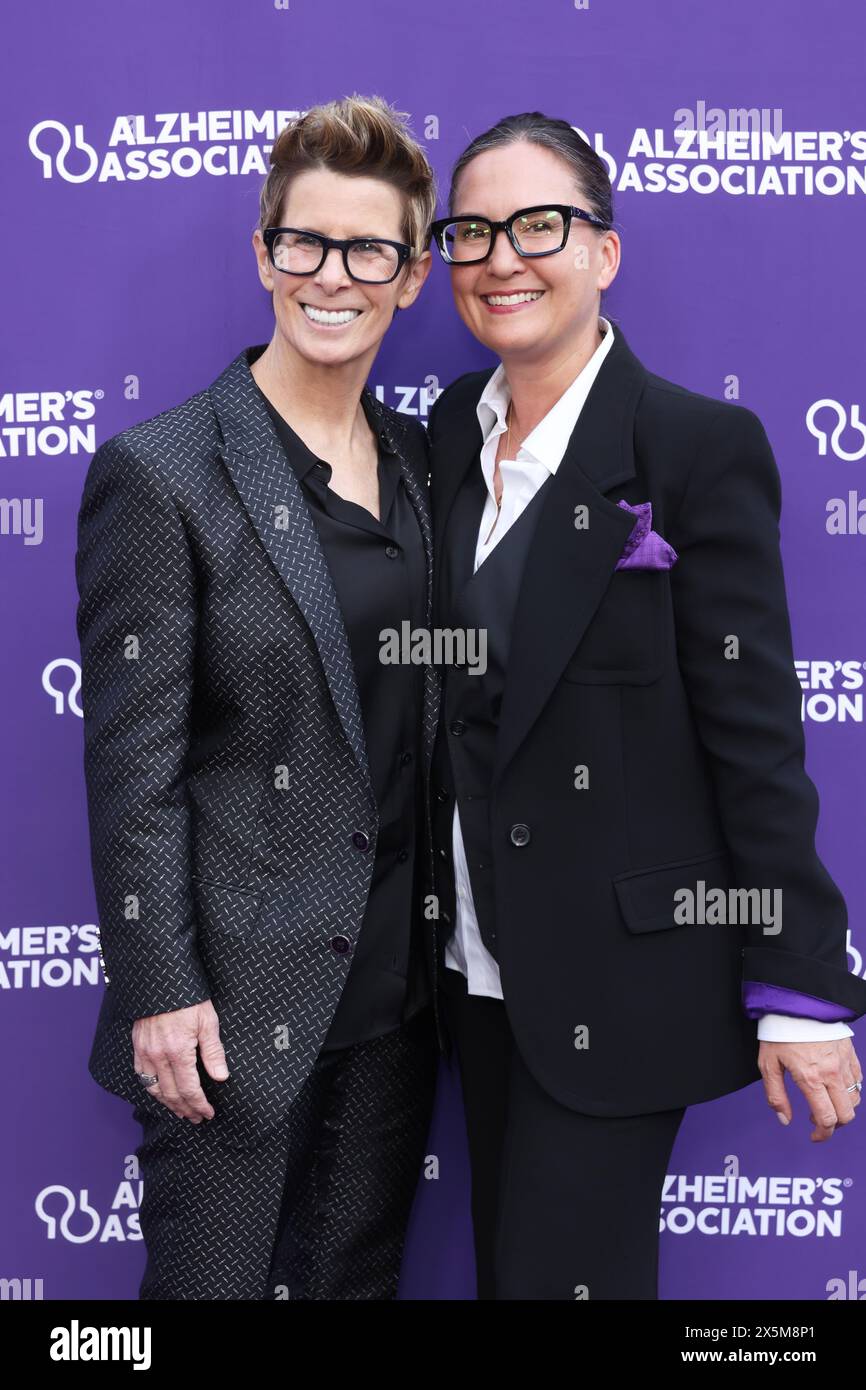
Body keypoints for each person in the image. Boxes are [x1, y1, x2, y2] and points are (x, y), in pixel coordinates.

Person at [425, 110, 866, 1301]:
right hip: (470, 974)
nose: (500, 256)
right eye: (471, 230)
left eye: (539, 224)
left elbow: (754, 737)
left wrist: (800, 987)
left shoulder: (691, 447)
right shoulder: (444, 441)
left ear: (603, 251)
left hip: (615, 986)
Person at [75, 95, 441, 1300]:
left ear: (411, 275)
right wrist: (160, 987)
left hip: (393, 1000)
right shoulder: (164, 470)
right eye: (305, 243)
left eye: (368, 251)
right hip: (229, 1009)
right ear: (263, 254)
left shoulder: (422, 474)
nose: (331, 277)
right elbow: (135, 764)